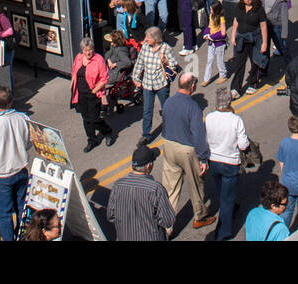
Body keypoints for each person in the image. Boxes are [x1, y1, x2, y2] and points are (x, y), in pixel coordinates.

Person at [159, 72, 216, 230]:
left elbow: (165, 123)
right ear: (192, 86)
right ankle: (200, 216)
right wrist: (203, 158)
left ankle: (166, 226)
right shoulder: (193, 107)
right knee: (196, 184)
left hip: (169, 145)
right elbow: (198, 134)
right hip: (187, 149)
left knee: (170, 188)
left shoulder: (169, 102)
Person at [0, 85, 32, 241]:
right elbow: (29, 141)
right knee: (22, 206)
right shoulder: (23, 118)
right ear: (11, 101)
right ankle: (24, 234)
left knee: (4, 214)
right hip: (21, 170)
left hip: (2, 176)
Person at [204, 86, 251, 241]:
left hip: (214, 161)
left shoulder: (209, 117)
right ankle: (223, 232)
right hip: (230, 162)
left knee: (222, 192)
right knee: (227, 198)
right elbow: (243, 145)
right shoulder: (236, 120)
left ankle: (231, 209)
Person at [107, 145, 176, 241]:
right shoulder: (155, 189)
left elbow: (110, 216)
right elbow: (167, 220)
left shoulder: (117, 185)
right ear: (148, 166)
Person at [133, 26, 177, 143]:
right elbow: (139, 63)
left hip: (161, 84)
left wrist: (166, 61)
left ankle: (170, 130)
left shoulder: (166, 48)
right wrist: (135, 77)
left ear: (156, 38)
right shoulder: (145, 47)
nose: (146, 39)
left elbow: (173, 65)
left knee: (166, 108)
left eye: (148, 37)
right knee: (147, 110)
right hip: (148, 84)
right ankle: (146, 134)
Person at [70, 37, 115, 151]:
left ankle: (107, 131)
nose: (88, 52)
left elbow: (104, 79)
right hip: (80, 94)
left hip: (93, 94)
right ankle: (92, 140)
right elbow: (74, 72)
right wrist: (72, 85)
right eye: (85, 50)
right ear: (82, 50)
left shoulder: (98, 60)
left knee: (94, 119)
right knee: (86, 119)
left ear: (93, 49)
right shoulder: (79, 58)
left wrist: (94, 91)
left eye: (90, 50)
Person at [227, 0, 270, 97]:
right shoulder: (239, 7)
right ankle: (235, 88)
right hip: (241, 39)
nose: (247, 0)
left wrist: (264, 42)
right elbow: (236, 21)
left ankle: (253, 84)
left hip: (254, 39)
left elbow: (263, 25)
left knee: (255, 62)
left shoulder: (259, 9)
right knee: (239, 63)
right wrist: (233, 36)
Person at [261, 0, 289, 67]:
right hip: (266, 25)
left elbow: (284, 16)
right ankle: (264, 69)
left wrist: (284, 33)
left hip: (276, 26)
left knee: (281, 47)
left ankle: (290, 65)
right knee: (265, 47)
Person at [201, 1, 230, 86]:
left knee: (219, 60)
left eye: (211, 9)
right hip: (211, 42)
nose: (210, 10)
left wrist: (212, 37)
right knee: (209, 60)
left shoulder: (221, 19)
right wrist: (206, 33)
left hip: (220, 43)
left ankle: (223, 75)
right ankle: (206, 78)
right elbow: (210, 26)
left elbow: (223, 33)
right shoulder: (211, 16)